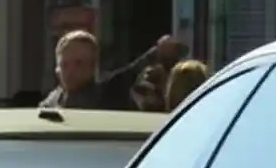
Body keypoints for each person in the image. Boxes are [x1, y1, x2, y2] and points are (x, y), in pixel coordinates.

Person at [39, 29, 185, 110]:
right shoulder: (48, 106)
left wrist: (158, 51)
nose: (70, 71)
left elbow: (130, 72)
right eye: (64, 64)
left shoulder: (109, 96)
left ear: (92, 66)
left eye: (79, 63)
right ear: (56, 68)